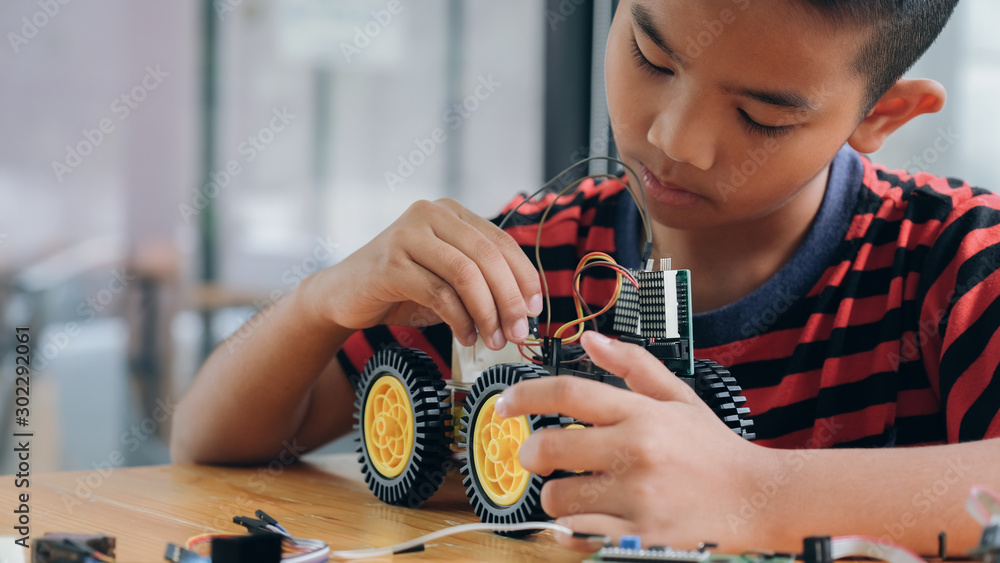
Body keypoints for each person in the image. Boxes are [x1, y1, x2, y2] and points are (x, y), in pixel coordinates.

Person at [171, 0, 1000, 555]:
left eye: (761, 115)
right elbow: (212, 439)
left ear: (881, 115)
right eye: (649, 54)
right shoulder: (534, 257)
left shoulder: (955, 261)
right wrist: (323, 301)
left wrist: (758, 491)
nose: (677, 139)